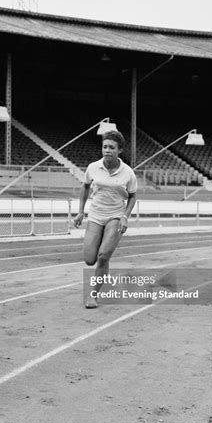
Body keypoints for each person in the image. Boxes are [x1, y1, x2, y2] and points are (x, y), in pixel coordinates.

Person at [74, 130, 137, 308]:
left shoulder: (128, 173)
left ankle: (93, 296)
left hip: (115, 215)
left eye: (111, 147)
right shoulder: (93, 167)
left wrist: (125, 216)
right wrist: (80, 212)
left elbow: (132, 196)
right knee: (89, 259)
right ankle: (102, 252)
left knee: (103, 256)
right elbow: (85, 187)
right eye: (104, 147)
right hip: (95, 215)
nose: (107, 150)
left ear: (120, 150)